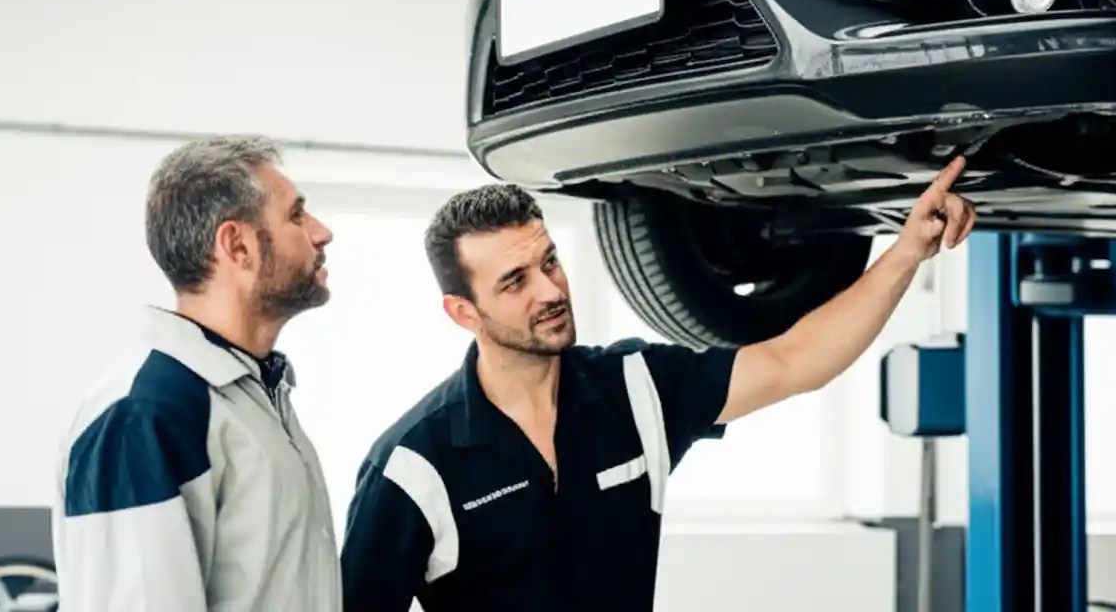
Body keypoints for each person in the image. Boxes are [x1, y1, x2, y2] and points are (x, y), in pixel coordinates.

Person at [339, 156, 977, 611]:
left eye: (550, 262)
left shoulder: (636, 386)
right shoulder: (415, 466)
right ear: (463, 313)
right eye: (515, 281)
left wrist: (904, 251)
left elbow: (793, 360)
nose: (551, 290)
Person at [52, 136, 341, 611]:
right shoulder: (143, 412)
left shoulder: (254, 391)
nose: (321, 232)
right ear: (237, 245)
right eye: (296, 215)